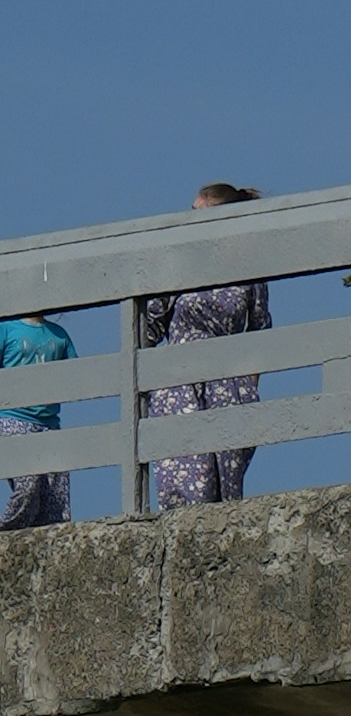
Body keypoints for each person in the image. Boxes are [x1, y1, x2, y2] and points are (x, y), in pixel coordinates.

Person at [136, 186, 268, 508]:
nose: (191, 221)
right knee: (185, 490)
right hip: (179, 383)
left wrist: (249, 386)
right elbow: (149, 327)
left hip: (229, 386)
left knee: (225, 498)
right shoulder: (180, 263)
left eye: (200, 214)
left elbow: (261, 333)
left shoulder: (251, 271)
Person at [0, 303, 66, 531]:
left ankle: (48, 548)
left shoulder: (59, 335)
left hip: (49, 424)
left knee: (55, 500)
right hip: (12, 417)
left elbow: (77, 374)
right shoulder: (6, 329)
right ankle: (7, 533)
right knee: (28, 483)